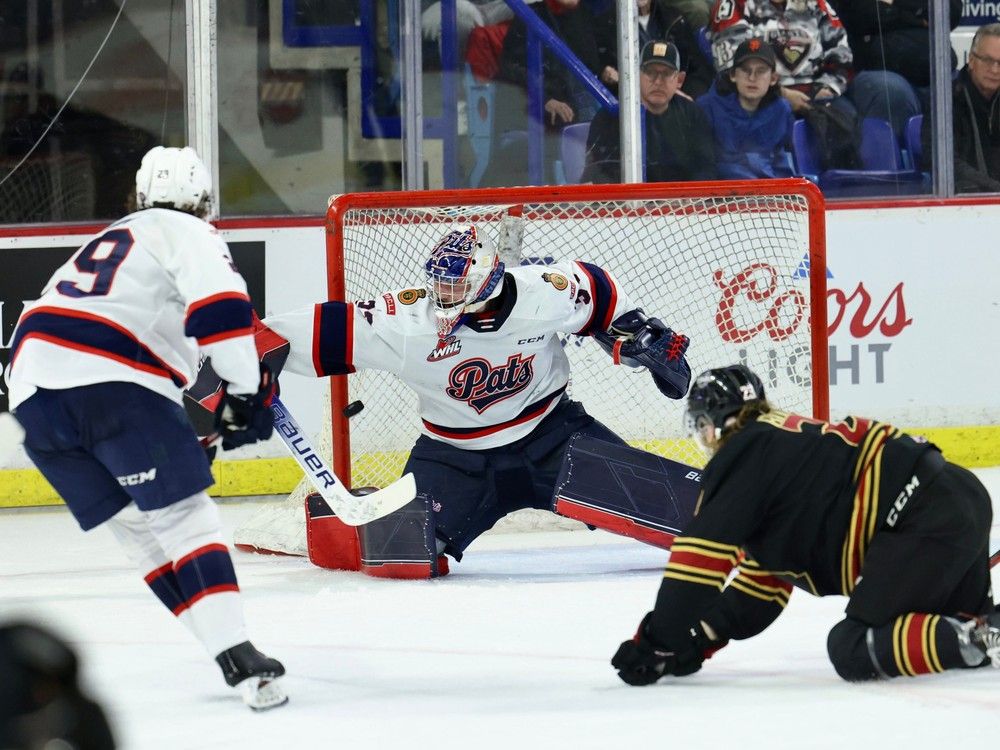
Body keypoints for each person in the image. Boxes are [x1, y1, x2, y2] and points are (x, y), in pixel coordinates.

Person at [5, 146, 288, 711]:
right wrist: (243, 391)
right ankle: (237, 652)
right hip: (110, 381)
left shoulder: (111, 238)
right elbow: (221, 312)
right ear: (206, 202)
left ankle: (229, 653)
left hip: (30, 390)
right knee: (184, 520)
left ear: (137, 195)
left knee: (141, 533)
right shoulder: (191, 232)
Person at [256, 225, 692, 567]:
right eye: (438, 284)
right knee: (399, 555)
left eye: (454, 285)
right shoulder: (406, 322)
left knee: (685, 516)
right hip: (454, 458)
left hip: (554, 438)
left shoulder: (545, 291)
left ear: (488, 280)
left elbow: (595, 288)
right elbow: (324, 329)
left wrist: (636, 332)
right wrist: (243, 347)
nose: (441, 295)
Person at [612, 364, 1000, 685]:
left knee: (851, 647)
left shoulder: (744, 451)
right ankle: (985, 633)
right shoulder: (786, 447)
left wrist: (657, 641)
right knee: (961, 624)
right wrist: (698, 637)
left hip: (917, 516)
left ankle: (980, 640)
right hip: (957, 494)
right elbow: (762, 584)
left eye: (702, 427)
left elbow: (698, 562)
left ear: (716, 422)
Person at [583, 39, 717, 182]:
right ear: (637, 75)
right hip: (626, 201)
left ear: (679, 80)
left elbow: (706, 167)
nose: (658, 81)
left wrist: (688, 196)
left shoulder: (693, 115)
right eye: (650, 72)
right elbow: (597, 172)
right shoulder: (610, 117)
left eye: (666, 73)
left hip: (680, 201)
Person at [697, 37, 795, 178]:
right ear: (732, 75)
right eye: (745, 70)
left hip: (768, 194)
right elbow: (703, 165)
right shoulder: (707, 108)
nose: (752, 78)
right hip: (721, 194)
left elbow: (780, 162)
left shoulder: (781, 111)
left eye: (760, 71)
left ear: (773, 78)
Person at [923, 23, 1000, 193]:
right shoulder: (945, 100)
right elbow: (941, 161)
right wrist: (994, 189)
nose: (994, 69)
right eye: (988, 60)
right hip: (963, 202)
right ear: (971, 60)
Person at [593, 0, 715, 99]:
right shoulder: (605, 26)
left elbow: (698, 70)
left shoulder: (674, 19)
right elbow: (608, 77)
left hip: (680, 100)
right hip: (637, 105)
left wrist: (687, 97)